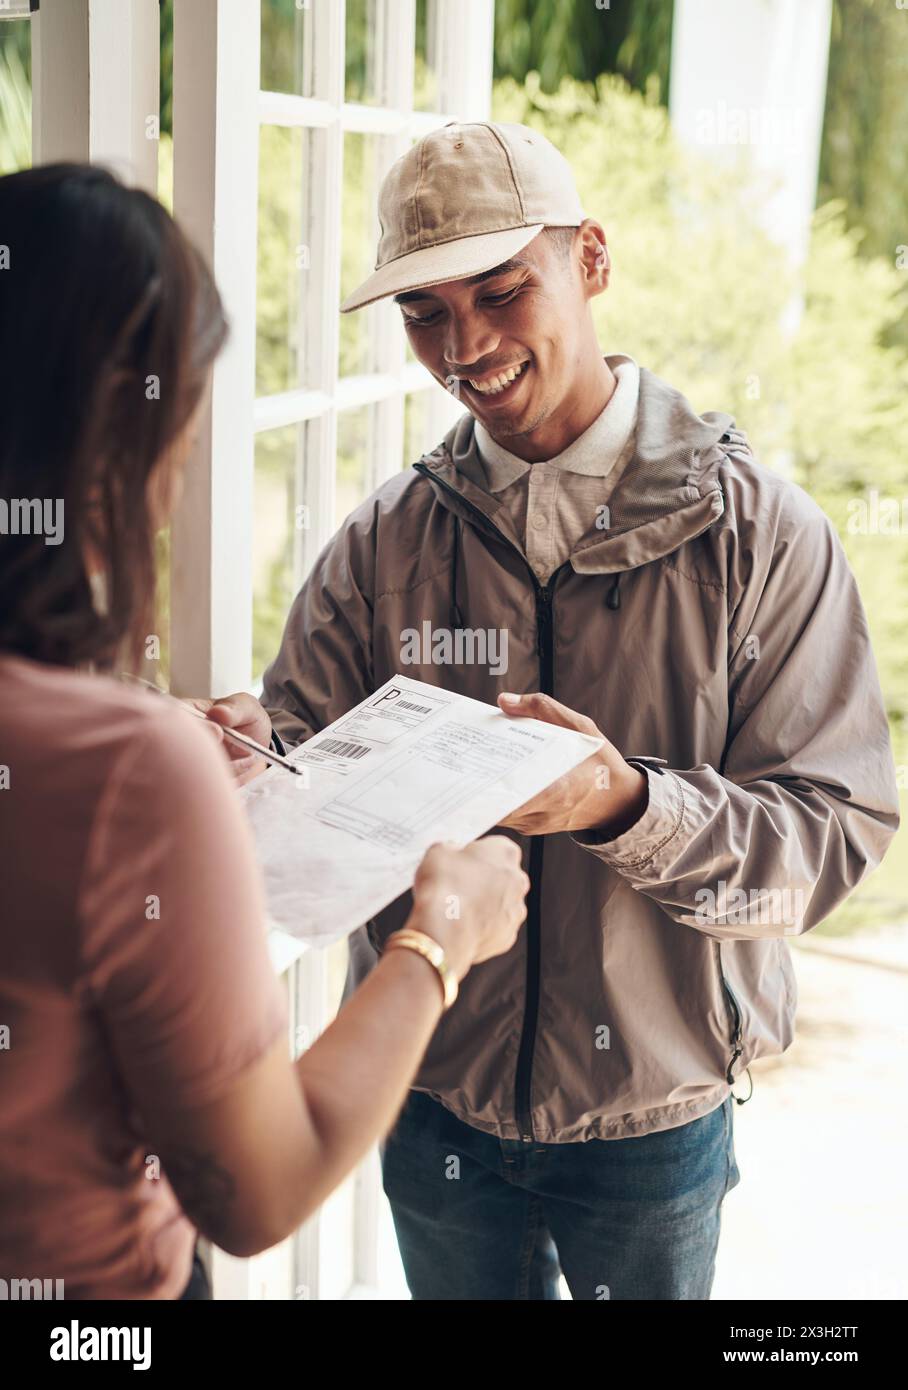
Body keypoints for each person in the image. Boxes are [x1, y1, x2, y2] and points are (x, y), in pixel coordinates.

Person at [210, 122, 900, 1301]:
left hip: (650, 1121)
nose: (463, 345)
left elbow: (824, 848)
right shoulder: (382, 542)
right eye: (424, 311)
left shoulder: (763, 536)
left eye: (499, 289)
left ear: (589, 258)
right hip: (427, 1101)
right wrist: (243, 761)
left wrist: (622, 803)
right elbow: (308, 780)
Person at [0, 163, 528, 1301]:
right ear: (113, 439)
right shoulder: (123, 770)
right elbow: (253, 1191)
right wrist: (437, 936)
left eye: (501, 291)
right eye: (180, 437)